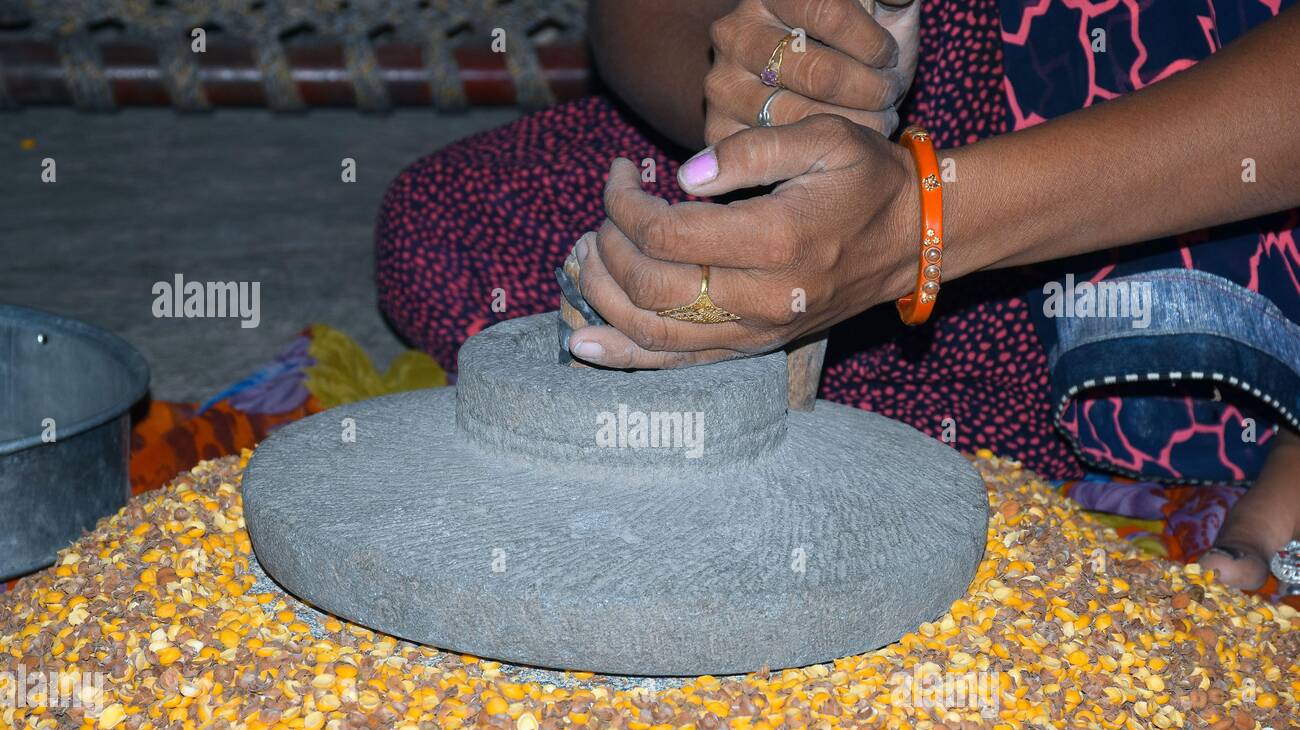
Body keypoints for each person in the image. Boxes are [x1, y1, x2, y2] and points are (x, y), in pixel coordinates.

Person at [376, 0, 1300, 591]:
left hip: (1223, 135)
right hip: (1002, 71)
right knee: (456, 227)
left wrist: (919, 222)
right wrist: (777, 85)